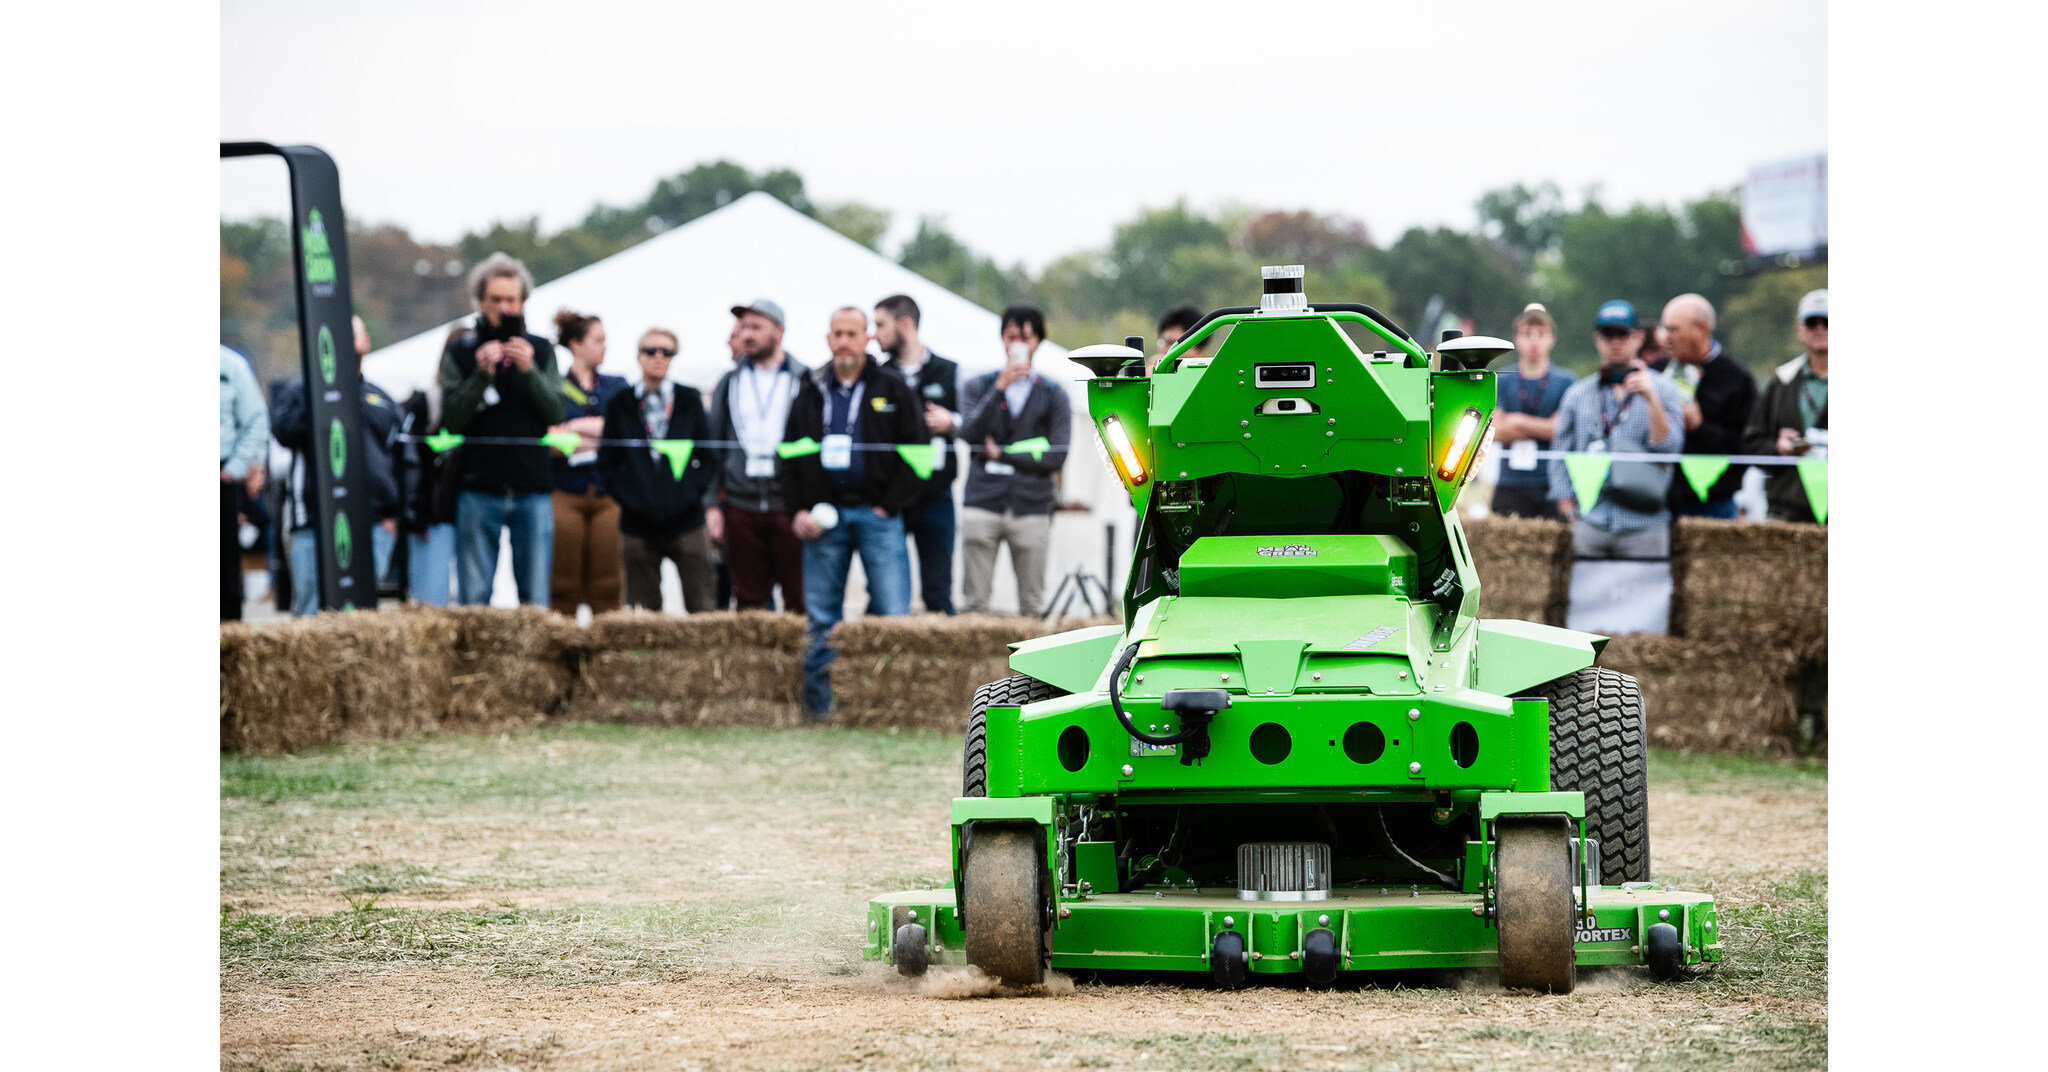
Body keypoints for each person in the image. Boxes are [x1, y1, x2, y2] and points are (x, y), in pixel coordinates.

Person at [783, 308, 928, 718]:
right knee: (822, 619)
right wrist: (797, 510)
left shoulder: (892, 386)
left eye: (852, 333)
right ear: (828, 339)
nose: (844, 341)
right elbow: (790, 453)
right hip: (823, 520)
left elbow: (919, 453)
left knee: (894, 613)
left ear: (867, 339)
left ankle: (894, 708)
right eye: (837, 333)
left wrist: (890, 505)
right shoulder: (810, 386)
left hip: (878, 516)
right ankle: (819, 710)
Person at [440, 253, 565, 606]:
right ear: (480, 302)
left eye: (511, 299)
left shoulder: (540, 350)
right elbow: (452, 420)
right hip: (479, 486)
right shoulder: (463, 351)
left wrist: (530, 372)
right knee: (475, 597)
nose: (504, 307)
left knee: (536, 597)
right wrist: (481, 377)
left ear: (523, 301)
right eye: (495, 299)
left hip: (532, 486)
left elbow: (555, 410)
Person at [270, 317, 403, 614]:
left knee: (362, 614)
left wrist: (394, 516)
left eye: (351, 336)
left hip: (375, 522)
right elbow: (284, 432)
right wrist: (320, 389)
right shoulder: (298, 392)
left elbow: (403, 459)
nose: (344, 344)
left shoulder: (381, 398)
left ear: (365, 342)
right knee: (311, 611)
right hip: (312, 521)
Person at [1547, 300, 1687, 559]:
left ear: (1639, 338)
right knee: (1584, 599)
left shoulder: (1664, 389)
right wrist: (1568, 512)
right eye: (1607, 335)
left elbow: (1669, 449)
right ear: (1597, 340)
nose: (1615, 342)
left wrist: (1651, 398)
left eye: (1622, 334)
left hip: (1645, 523)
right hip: (1591, 521)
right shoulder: (1577, 394)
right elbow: (1559, 456)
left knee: (1646, 600)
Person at [958, 305, 1072, 617]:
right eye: (1011, 337)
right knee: (974, 605)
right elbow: (968, 433)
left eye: (1025, 337)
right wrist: (998, 390)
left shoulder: (1054, 394)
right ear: (1002, 340)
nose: (1017, 344)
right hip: (982, 501)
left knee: (1032, 606)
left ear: (1038, 342)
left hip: (1032, 506)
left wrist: (1003, 453)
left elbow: (1057, 454)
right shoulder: (977, 386)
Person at [599, 328, 717, 611]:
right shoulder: (621, 402)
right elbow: (608, 462)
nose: (658, 357)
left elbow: (708, 457)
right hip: (637, 523)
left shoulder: (688, 398)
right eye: (651, 351)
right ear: (639, 356)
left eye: (666, 352)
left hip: (687, 520)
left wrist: (688, 495)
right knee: (643, 612)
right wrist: (632, 499)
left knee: (703, 606)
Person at [703, 299, 808, 614]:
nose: (747, 335)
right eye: (743, 327)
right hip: (741, 505)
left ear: (779, 331)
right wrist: (712, 506)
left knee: (800, 600)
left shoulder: (805, 380)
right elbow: (713, 447)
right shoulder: (730, 382)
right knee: (749, 603)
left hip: (789, 507)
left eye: (755, 327)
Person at [874, 293, 961, 615]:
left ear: (905, 324)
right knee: (884, 597)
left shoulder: (950, 371)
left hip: (937, 496)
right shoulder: (878, 376)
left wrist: (952, 422)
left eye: (881, 324)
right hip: (892, 499)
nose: (874, 334)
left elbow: (977, 425)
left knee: (938, 594)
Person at [547, 309, 628, 615]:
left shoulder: (616, 386)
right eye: (598, 340)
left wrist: (573, 429)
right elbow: (550, 442)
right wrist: (597, 429)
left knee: (608, 584)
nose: (604, 346)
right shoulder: (553, 387)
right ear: (576, 344)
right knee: (562, 583)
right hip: (566, 491)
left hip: (608, 494)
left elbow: (620, 432)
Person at [1660, 294, 1758, 519]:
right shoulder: (1655, 373)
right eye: (1665, 329)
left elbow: (1746, 447)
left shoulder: (1736, 378)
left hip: (1713, 503)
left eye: (1674, 330)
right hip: (1658, 500)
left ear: (1702, 329)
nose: (1665, 338)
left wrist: (1700, 427)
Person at [1743, 289, 1828, 523]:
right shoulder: (1781, 381)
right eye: (1812, 322)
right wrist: (1778, 449)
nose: (1820, 328)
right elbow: (1752, 443)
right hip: (1786, 507)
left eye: (1827, 322)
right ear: (1800, 329)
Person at [1489, 303, 1576, 519]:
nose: (1534, 340)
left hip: (1551, 482)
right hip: (1510, 484)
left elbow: (1562, 430)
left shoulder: (1566, 381)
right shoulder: (1501, 379)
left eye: (1541, 333)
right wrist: (1542, 427)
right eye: (1527, 334)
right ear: (1517, 340)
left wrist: (1515, 421)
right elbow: (1493, 431)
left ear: (1551, 339)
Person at [220, 344, 270, 620]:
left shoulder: (231, 365)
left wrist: (233, 469)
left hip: (222, 475)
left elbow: (256, 420)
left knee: (224, 572)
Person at [1151, 305, 1212, 371]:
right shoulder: (1151, 372)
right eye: (1163, 343)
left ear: (1200, 350)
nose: (1167, 351)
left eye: (1174, 344)